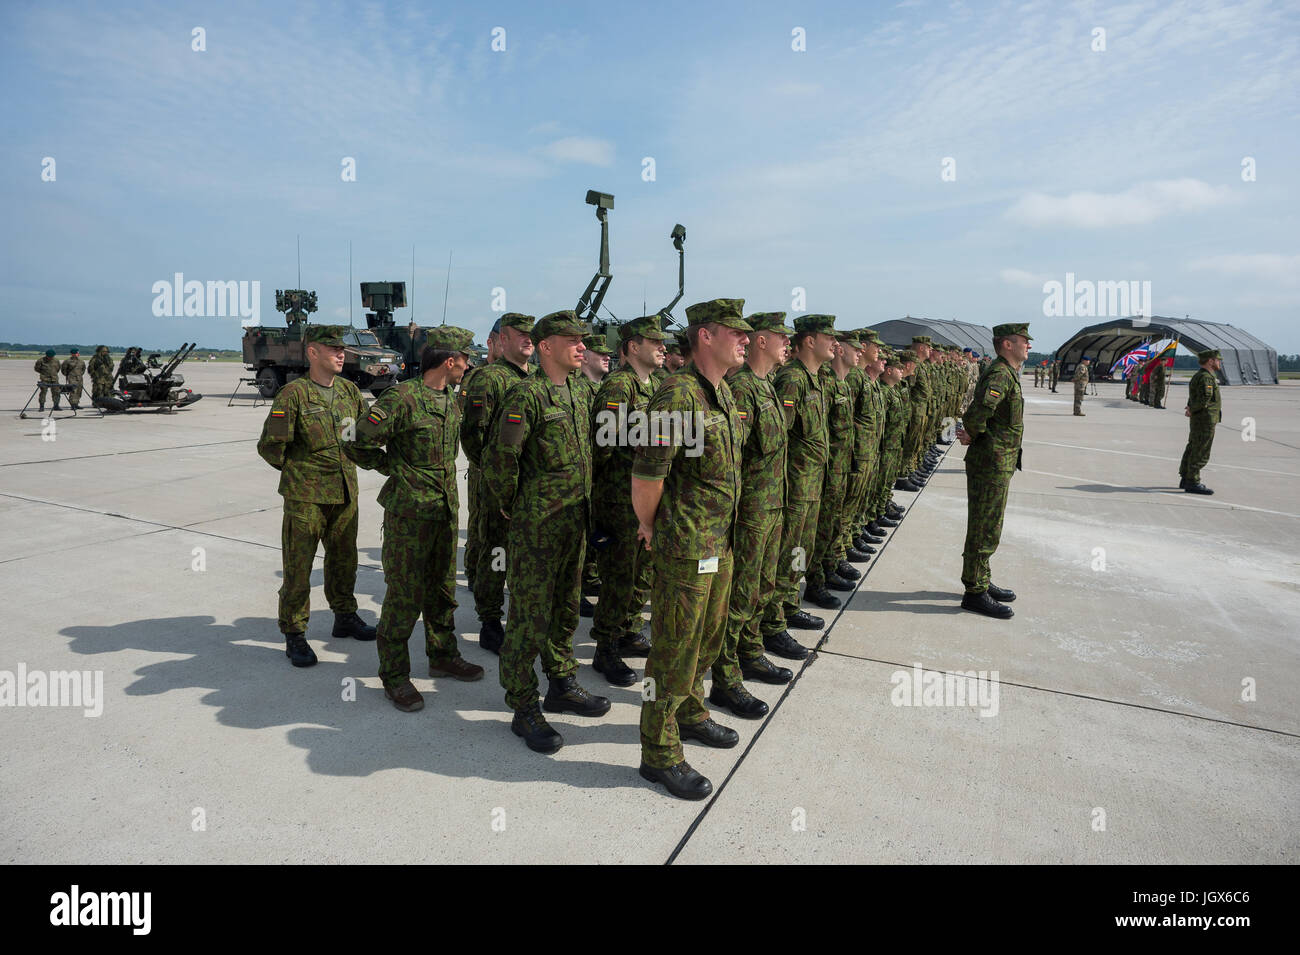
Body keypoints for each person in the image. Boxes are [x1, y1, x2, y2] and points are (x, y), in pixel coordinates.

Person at [632, 298, 750, 800]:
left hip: (718, 540)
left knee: (707, 639)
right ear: (705, 336)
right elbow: (647, 475)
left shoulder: (719, 393)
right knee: (674, 651)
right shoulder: (677, 397)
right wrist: (651, 527)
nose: (746, 340)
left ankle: (691, 710)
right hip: (684, 544)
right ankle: (658, 753)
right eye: (736, 332)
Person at [483, 310, 607, 755]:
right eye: (572, 340)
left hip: (574, 523)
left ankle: (562, 682)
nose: (582, 346)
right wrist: (518, 512)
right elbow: (502, 462)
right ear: (547, 346)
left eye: (583, 340)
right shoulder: (526, 396)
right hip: (537, 526)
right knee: (528, 618)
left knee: (565, 609)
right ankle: (523, 706)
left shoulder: (579, 392)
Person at [347, 327, 484, 712]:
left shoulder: (450, 400)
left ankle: (442, 655)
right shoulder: (402, 397)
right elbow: (357, 440)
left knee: (442, 591)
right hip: (409, 513)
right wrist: (395, 467)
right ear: (449, 360)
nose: (469, 365)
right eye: (465, 358)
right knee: (405, 596)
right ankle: (394, 674)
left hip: (443, 510)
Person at [256, 325, 378, 667]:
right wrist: (301, 473)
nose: (341, 354)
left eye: (343, 350)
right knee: (298, 567)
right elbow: (270, 447)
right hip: (306, 498)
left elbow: (363, 436)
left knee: (344, 561)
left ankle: (345, 617)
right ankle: (294, 634)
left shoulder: (350, 392)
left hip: (344, 492)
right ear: (313, 353)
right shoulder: (293, 395)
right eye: (333, 349)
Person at [711, 311, 797, 720]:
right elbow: (734, 459)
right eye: (781, 337)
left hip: (771, 507)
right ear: (763, 341)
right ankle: (725, 679)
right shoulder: (742, 388)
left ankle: (750, 653)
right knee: (739, 597)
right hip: (749, 514)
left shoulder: (765, 387)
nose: (787, 344)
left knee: (761, 589)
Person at [589, 316, 668, 686]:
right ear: (633, 347)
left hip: (645, 497)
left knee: (642, 573)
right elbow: (603, 445)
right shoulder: (620, 386)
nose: (663, 347)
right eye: (655, 342)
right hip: (620, 498)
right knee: (619, 577)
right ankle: (606, 648)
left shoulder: (655, 385)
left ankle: (629, 630)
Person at [460, 313, 535, 654]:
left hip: (529, 486)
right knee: (495, 550)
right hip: (494, 482)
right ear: (500, 341)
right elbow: (473, 436)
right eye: (519, 335)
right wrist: (493, 476)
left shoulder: (538, 377)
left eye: (531, 335)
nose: (527, 340)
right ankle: (490, 620)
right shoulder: (488, 379)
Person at [762, 314, 837, 656]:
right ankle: (773, 623)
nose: (835, 343)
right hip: (793, 486)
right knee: (784, 556)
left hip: (811, 484)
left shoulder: (815, 378)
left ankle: (789, 605)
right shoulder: (792, 380)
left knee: (798, 552)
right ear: (810, 341)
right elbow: (780, 438)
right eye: (828, 337)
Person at [955, 323, 1029, 620]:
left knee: (990, 525)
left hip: (999, 460)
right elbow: (981, 408)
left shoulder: (1007, 372)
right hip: (991, 461)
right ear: (1007, 345)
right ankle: (974, 591)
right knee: (984, 527)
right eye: (1024, 341)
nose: (1029, 346)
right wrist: (970, 432)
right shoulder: (1000, 373)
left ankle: (981, 579)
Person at [459, 319, 503, 593]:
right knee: (479, 520)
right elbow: (469, 425)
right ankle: (475, 571)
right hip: (482, 465)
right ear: (492, 342)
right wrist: (482, 462)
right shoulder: (477, 377)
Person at [574, 333, 613, 617]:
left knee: (593, 534)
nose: (607, 356)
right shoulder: (578, 389)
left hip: (598, 475)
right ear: (585, 358)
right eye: (601, 353)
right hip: (583, 476)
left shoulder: (602, 390)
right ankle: (576, 589)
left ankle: (587, 579)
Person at [1179, 349, 1223, 495]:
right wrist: (1192, 409)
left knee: (1193, 447)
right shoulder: (1206, 378)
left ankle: (1186, 477)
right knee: (1201, 451)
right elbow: (1204, 399)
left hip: (1199, 418)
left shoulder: (1199, 376)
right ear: (1210, 361)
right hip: (1205, 419)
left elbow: (1194, 396)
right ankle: (1193, 482)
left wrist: (1191, 408)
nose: (1219, 362)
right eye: (1217, 360)